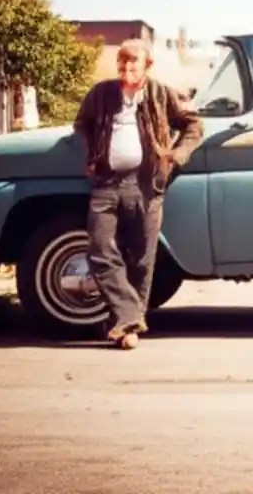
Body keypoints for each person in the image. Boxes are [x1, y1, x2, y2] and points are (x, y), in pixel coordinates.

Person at [73, 39, 203, 349]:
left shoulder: (160, 93)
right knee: (100, 251)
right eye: (121, 65)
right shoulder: (101, 93)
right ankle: (129, 316)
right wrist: (91, 153)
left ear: (147, 65)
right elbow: (82, 124)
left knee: (143, 259)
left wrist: (175, 155)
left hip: (147, 185)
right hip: (106, 183)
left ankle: (128, 328)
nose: (126, 71)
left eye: (133, 65)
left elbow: (194, 126)